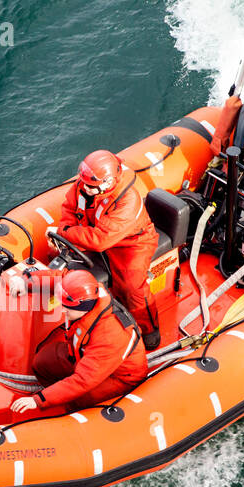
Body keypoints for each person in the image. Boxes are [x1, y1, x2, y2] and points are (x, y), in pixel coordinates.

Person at [54, 149, 162, 350]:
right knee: (60, 264)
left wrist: (66, 232)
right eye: (84, 184)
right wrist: (66, 230)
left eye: (91, 186)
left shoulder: (127, 201)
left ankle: (150, 331)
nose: (85, 189)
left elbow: (100, 240)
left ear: (107, 183)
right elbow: (69, 209)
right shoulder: (86, 185)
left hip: (132, 244)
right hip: (96, 233)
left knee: (133, 287)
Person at [9, 269, 147, 414]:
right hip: (81, 354)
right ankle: (58, 396)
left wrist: (38, 400)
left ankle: (70, 411)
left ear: (82, 308)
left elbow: (83, 380)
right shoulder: (85, 290)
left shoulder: (109, 335)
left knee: (81, 399)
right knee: (42, 362)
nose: (62, 310)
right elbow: (61, 278)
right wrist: (26, 281)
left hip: (116, 377)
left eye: (67, 308)